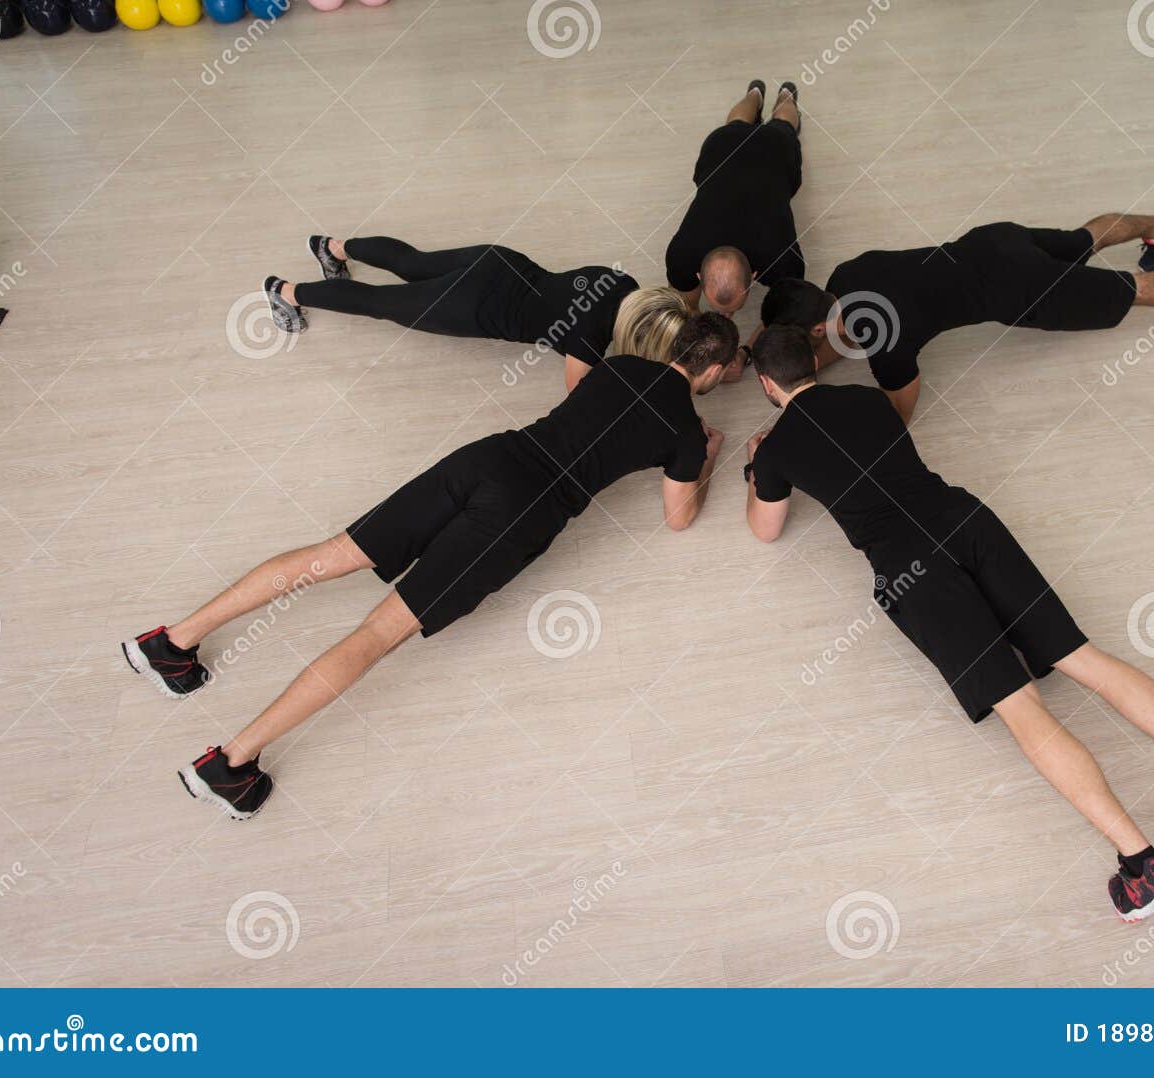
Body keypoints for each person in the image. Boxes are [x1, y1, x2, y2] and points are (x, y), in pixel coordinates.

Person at [742, 325, 1154, 921]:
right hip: (966, 519)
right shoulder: (868, 398)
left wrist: (756, 467)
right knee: (1081, 657)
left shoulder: (775, 448)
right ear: (815, 362)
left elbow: (765, 528)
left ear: (766, 383)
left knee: (1021, 708)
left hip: (909, 569)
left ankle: (1143, 866)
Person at [121, 313, 740, 819]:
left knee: (328, 554)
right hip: (525, 512)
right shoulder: (685, 427)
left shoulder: (621, 365)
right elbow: (679, 515)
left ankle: (171, 642)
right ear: (711, 369)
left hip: (490, 456)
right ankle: (229, 764)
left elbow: (586, 412)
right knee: (376, 635)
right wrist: (705, 456)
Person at [759, 209, 1154, 422]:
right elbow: (836, 339)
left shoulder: (888, 345)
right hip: (992, 240)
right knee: (1081, 239)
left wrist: (824, 412)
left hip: (1020, 289)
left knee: (1133, 291)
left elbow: (900, 414)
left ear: (819, 329)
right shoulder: (848, 273)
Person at [261, 235, 644, 390]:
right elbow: (582, 399)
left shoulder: (623, 281)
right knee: (378, 303)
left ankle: (333, 247)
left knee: (414, 262)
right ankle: (286, 293)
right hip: (471, 306)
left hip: (501, 264)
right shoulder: (589, 341)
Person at [665, 80, 806, 377]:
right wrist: (714, 346)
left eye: (731, 310)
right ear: (699, 275)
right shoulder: (682, 255)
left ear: (756, 275)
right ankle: (767, 96)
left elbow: (783, 317)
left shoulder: (783, 260)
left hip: (773, 153)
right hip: (723, 151)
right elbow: (683, 307)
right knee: (744, 125)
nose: (726, 315)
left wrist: (743, 353)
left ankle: (775, 96)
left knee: (781, 126)